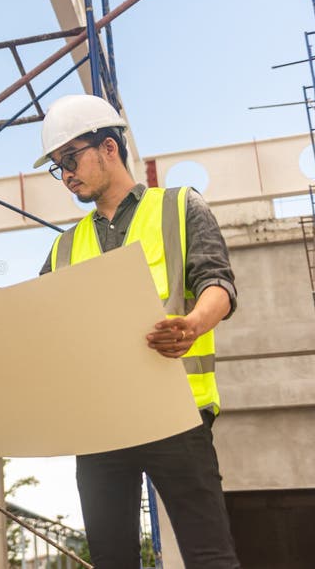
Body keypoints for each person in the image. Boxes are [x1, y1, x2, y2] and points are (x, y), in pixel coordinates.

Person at [35, 94, 240, 568]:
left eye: (71, 158)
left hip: (177, 412)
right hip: (100, 422)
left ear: (109, 147)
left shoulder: (179, 206)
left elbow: (218, 283)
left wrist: (192, 325)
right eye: (56, 166)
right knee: (112, 560)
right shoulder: (64, 248)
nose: (65, 173)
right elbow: (41, 324)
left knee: (209, 554)